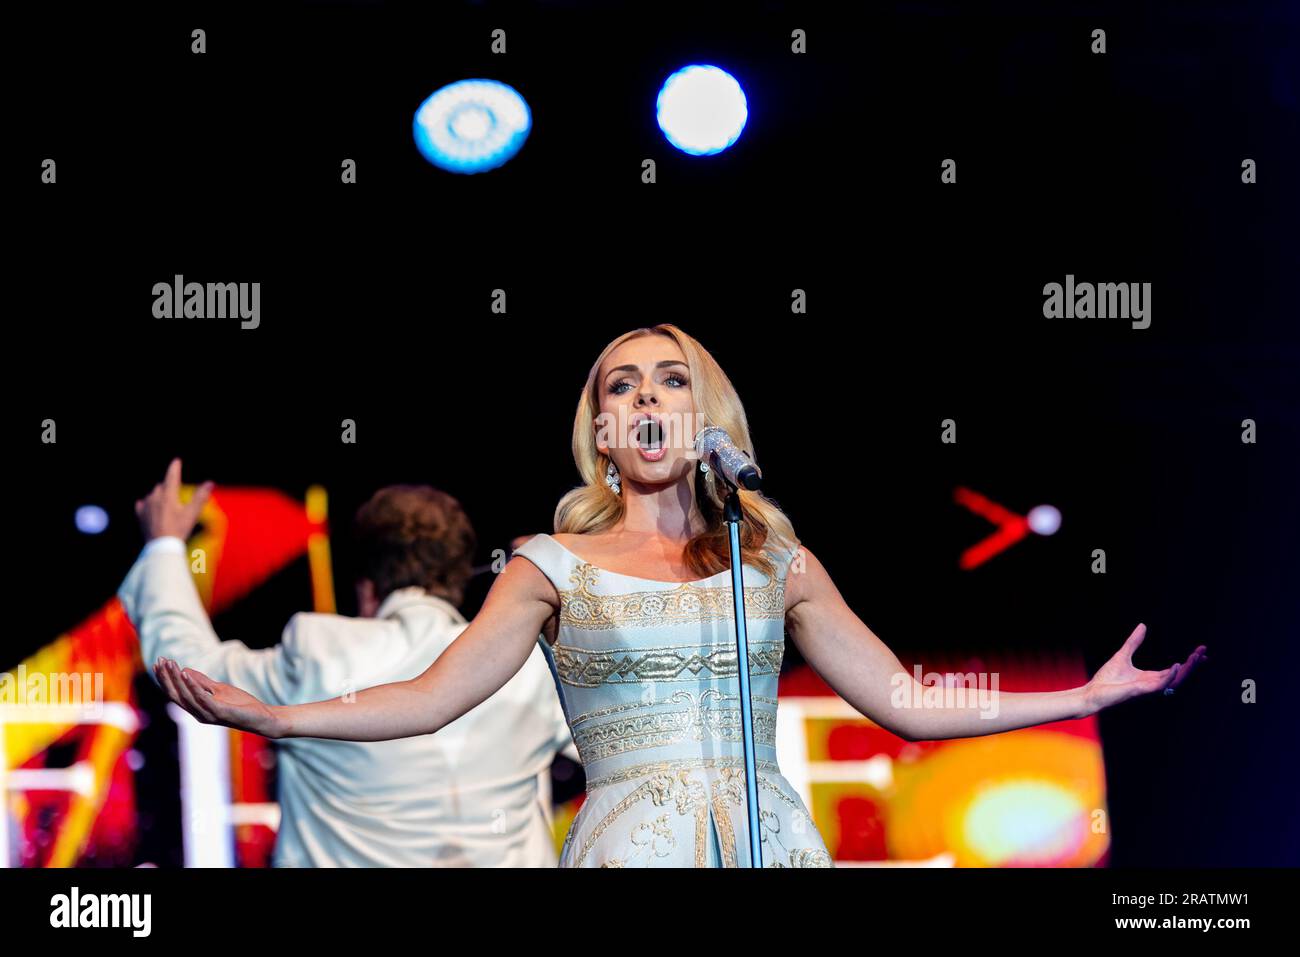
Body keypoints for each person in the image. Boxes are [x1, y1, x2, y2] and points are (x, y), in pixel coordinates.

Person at [153, 324, 1207, 868]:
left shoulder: (770, 560)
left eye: (669, 379)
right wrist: (264, 715)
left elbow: (905, 699)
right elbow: (432, 696)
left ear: (708, 414)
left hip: (768, 843)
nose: (646, 397)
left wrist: (1083, 698)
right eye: (623, 384)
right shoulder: (548, 567)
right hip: (628, 845)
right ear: (602, 433)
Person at [123, 472, 576, 866]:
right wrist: (574, 598)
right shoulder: (530, 662)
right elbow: (631, 735)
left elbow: (189, 670)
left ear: (365, 588)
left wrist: (164, 545)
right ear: (458, 580)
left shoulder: (317, 651)